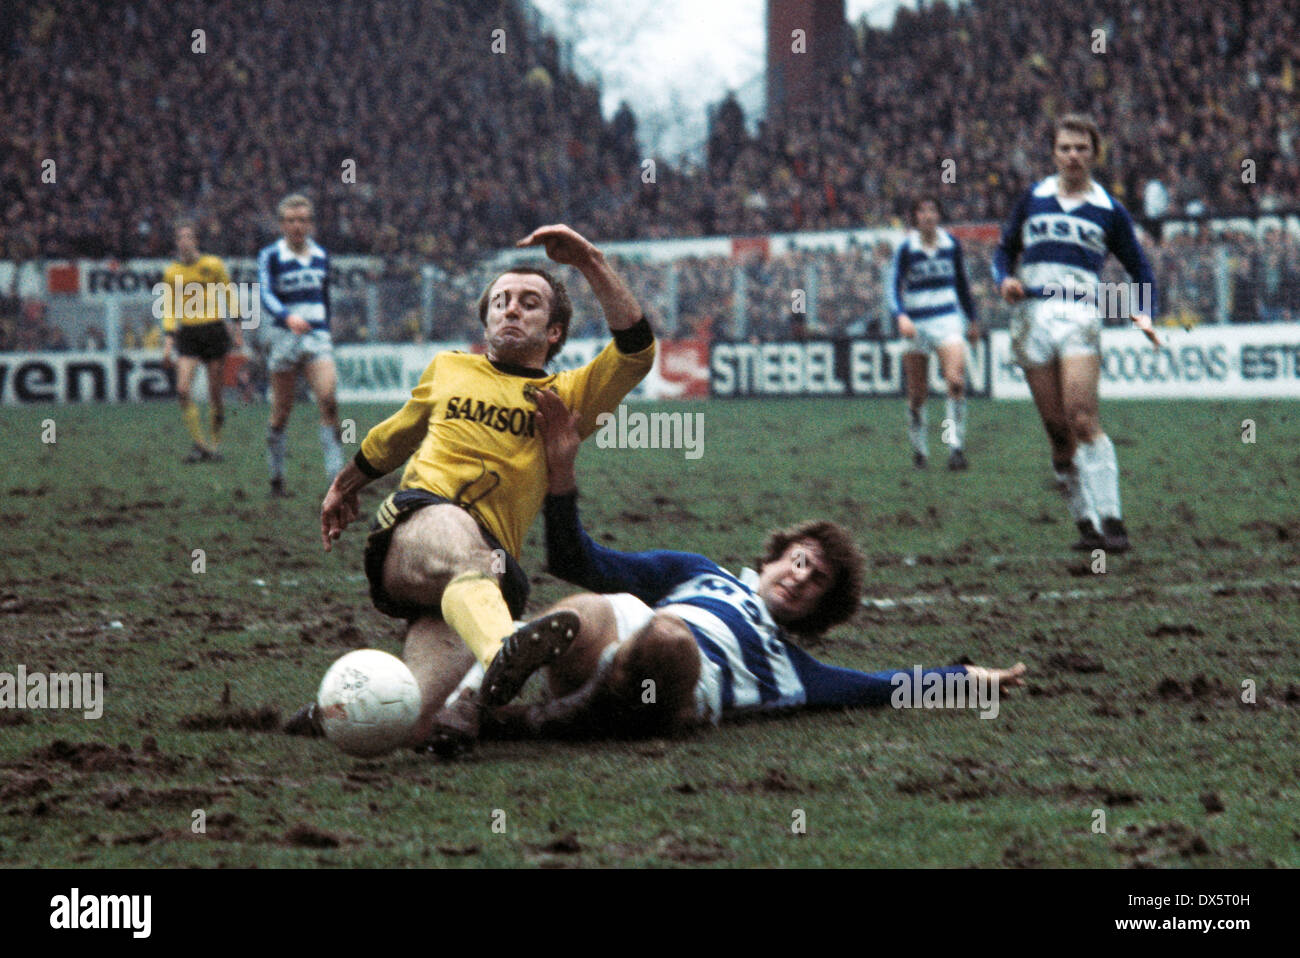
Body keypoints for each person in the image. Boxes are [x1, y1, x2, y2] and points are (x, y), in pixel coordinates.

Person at [460, 387, 1026, 742]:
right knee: (589, 609)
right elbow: (574, 559)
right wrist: (561, 475)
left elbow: (892, 686)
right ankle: (483, 693)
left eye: (818, 581)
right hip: (608, 647)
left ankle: (537, 718)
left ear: (820, 610)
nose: (802, 576)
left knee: (670, 640)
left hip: (670, 685)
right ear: (775, 555)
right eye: (801, 561)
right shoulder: (696, 573)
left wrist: (977, 681)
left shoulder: (795, 670)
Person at [289, 224, 656, 751]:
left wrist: (590, 261)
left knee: (412, 721)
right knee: (464, 543)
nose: (511, 309)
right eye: (501, 301)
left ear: (554, 332)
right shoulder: (449, 370)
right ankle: (505, 646)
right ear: (485, 318)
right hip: (416, 527)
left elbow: (636, 351)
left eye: (529, 303)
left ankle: (329, 711)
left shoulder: (569, 397)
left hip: (486, 576)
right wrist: (345, 484)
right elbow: (397, 435)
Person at [993, 114, 1161, 553]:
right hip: (1031, 316)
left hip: (1080, 314)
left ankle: (1114, 523)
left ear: (1094, 153)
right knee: (1058, 433)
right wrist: (1002, 279)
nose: (1073, 155)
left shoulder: (1109, 209)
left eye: (1081, 148)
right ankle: (1086, 526)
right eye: (1065, 147)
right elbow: (1003, 250)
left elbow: (1139, 266)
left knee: (1083, 417)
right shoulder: (1032, 198)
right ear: (1053, 153)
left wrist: (1144, 312)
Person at [888, 197, 980, 470]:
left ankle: (955, 448)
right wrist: (901, 315)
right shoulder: (906, 248)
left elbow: (962, 284)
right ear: (914, 217)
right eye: (922, 211)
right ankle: (920, 451)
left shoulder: (951, 245)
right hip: (916, 324)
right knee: (918, 394)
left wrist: (972, 319)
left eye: (932, 210)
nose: (927, 215)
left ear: (939, 215)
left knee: (955, 382)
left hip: (947, 320)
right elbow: (892, 287)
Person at [258, 194, 341, 496]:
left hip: (317, 338)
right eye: (291, 220)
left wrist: (327, 326)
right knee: (281, 412)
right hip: (284, 338)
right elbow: (265, 294)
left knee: (329, 401)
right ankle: (276, 478)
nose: (297, 225)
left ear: (310, 223)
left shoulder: (321, 255)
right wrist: (286, 315)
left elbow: (325, 295)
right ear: (281, 224)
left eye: (302, 220)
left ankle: (336, 480)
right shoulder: (271, 255)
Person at [161, 223, 242, 463]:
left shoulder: (213, 265)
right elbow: (169, 307)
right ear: (176, 242)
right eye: (180, 237)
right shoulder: (171, 272)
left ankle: (215, 446)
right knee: (183, 390)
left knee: (215, 394)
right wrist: (167, 343)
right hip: (188, 334)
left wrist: (238, 329)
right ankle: (200, 444)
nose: (185, 241)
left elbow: (229, 294)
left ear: (196, 241)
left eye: (189, 237)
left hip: (214, 330)